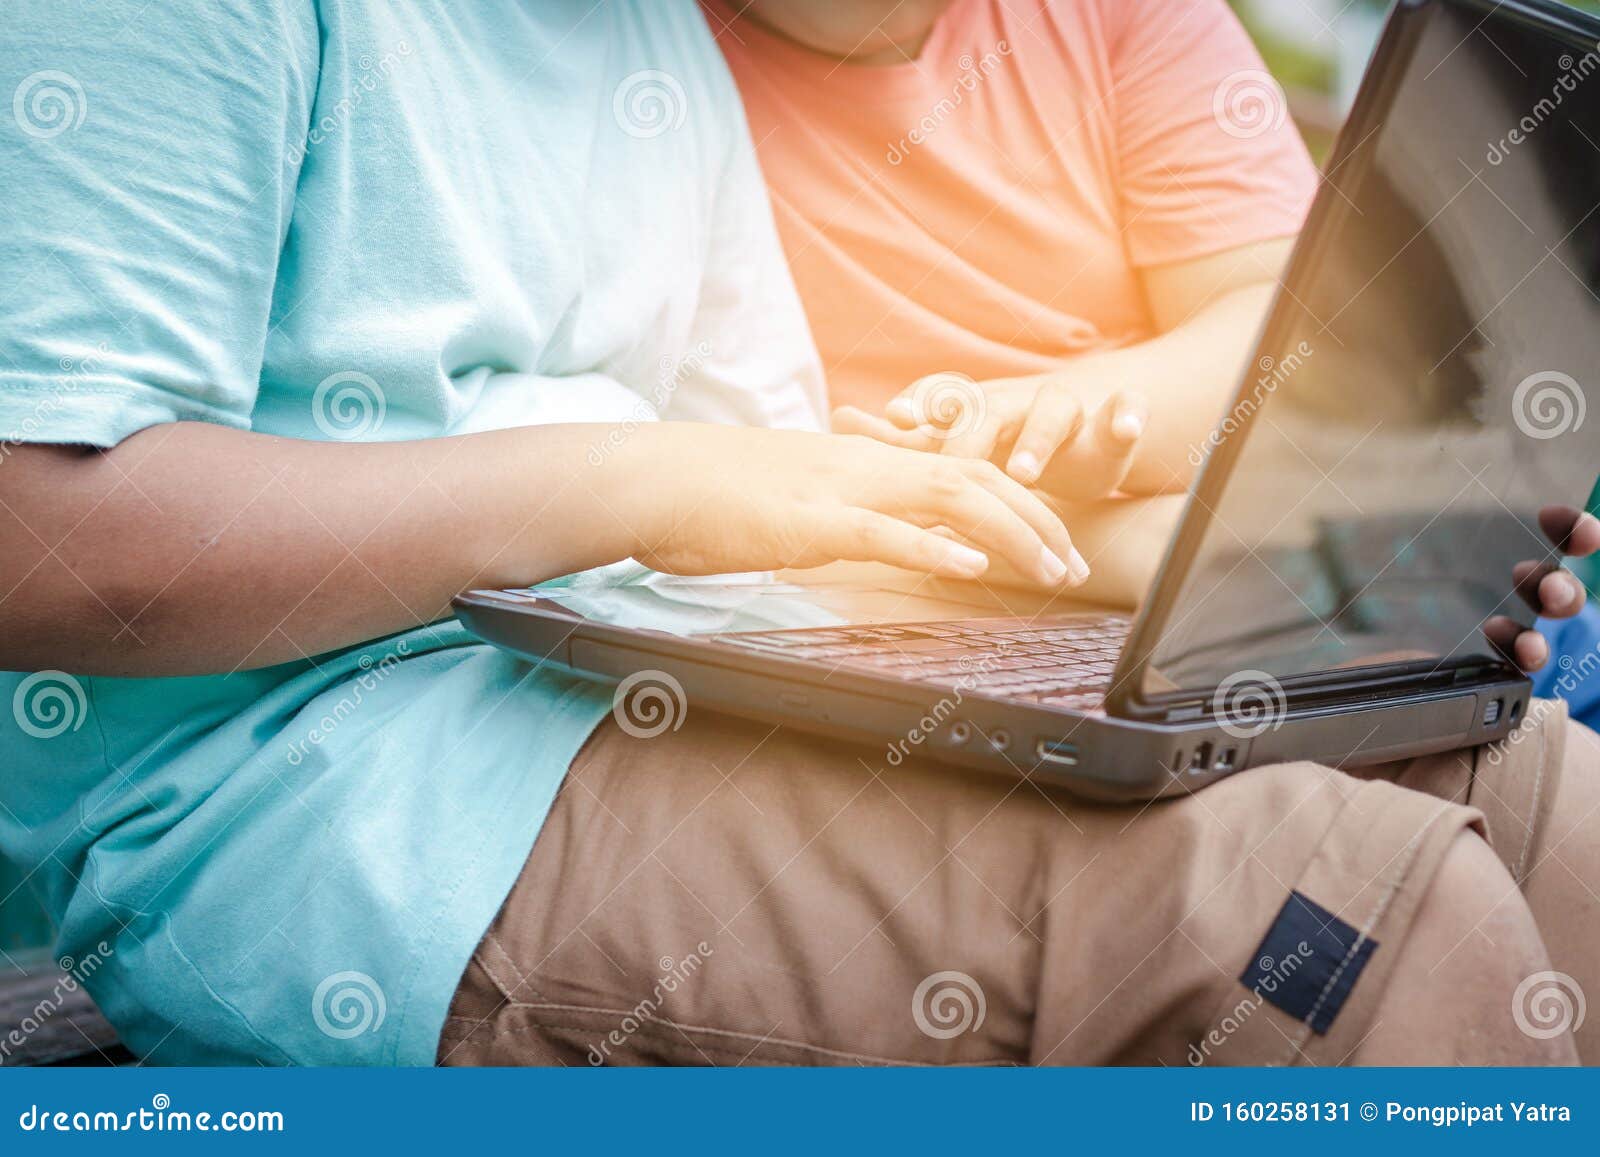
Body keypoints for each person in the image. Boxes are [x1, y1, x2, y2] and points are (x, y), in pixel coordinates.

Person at [0, 0, 1594, 1069]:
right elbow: (36, 540)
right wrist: (640, 484)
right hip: (344, 792)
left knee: (1541, 789)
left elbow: (779, 493)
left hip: (662, 663)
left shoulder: (641, 42)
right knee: (1354, 922)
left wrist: (1286, 584)